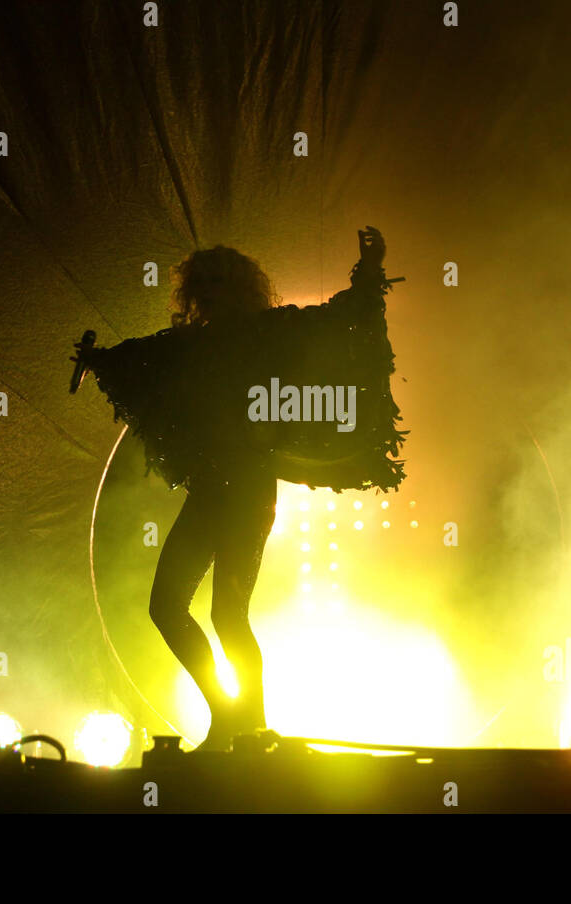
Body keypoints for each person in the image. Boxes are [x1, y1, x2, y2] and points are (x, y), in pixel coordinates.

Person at [74, 227, 404, 751]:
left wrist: (369, 268)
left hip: (248, 490)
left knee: (227, 614)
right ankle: (233, 719)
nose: (209, 298)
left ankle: (247, 726)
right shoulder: (194, 347)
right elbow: (146, 360)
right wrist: (99, 361)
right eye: (204, 288)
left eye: (215, 286)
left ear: (233, 290)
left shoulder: (271, 333)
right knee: (170, 607)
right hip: (214, 489)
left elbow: (342, 319)